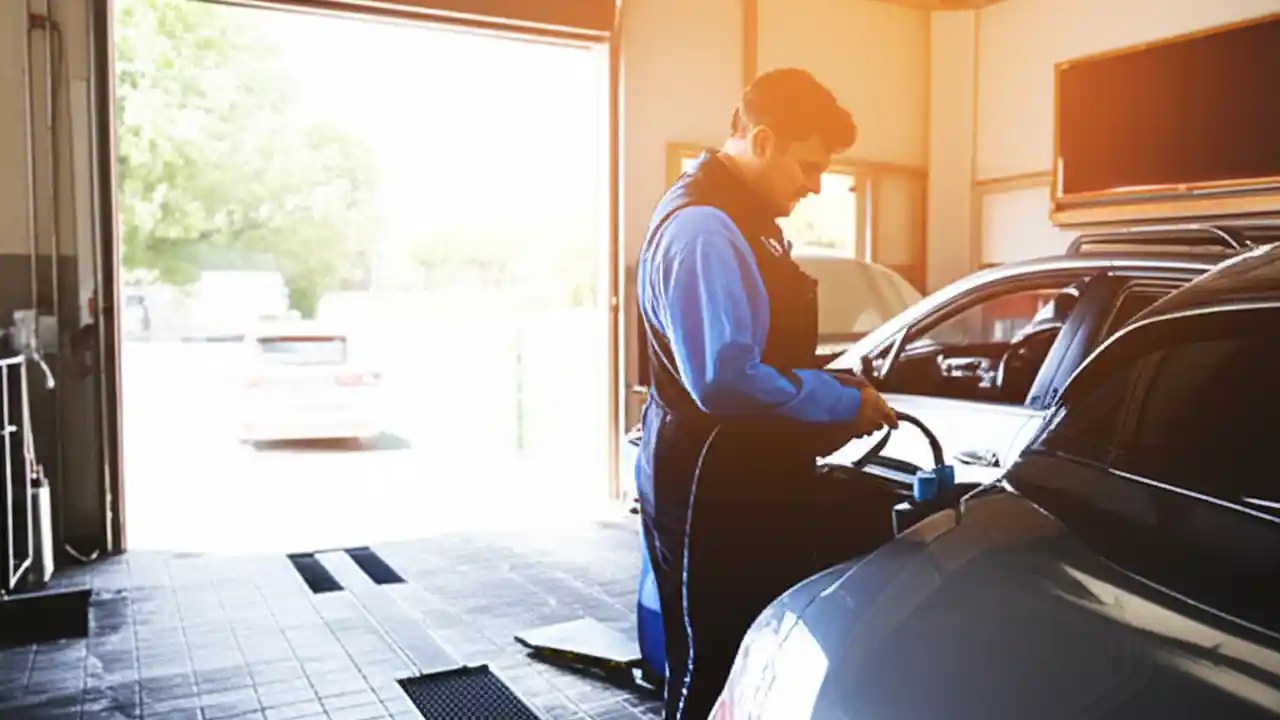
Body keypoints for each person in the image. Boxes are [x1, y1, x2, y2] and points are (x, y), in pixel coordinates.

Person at [635, 67, 899, 720]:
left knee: (753, 654)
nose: (813, 186)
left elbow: (759, 354)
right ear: (761, 139)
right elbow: (724, 378)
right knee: (713, 663)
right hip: (710, 485)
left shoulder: (746, 221)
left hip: (744, 483)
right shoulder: (704, 231)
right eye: (807, 167)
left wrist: (834, 384)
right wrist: (839, 403)